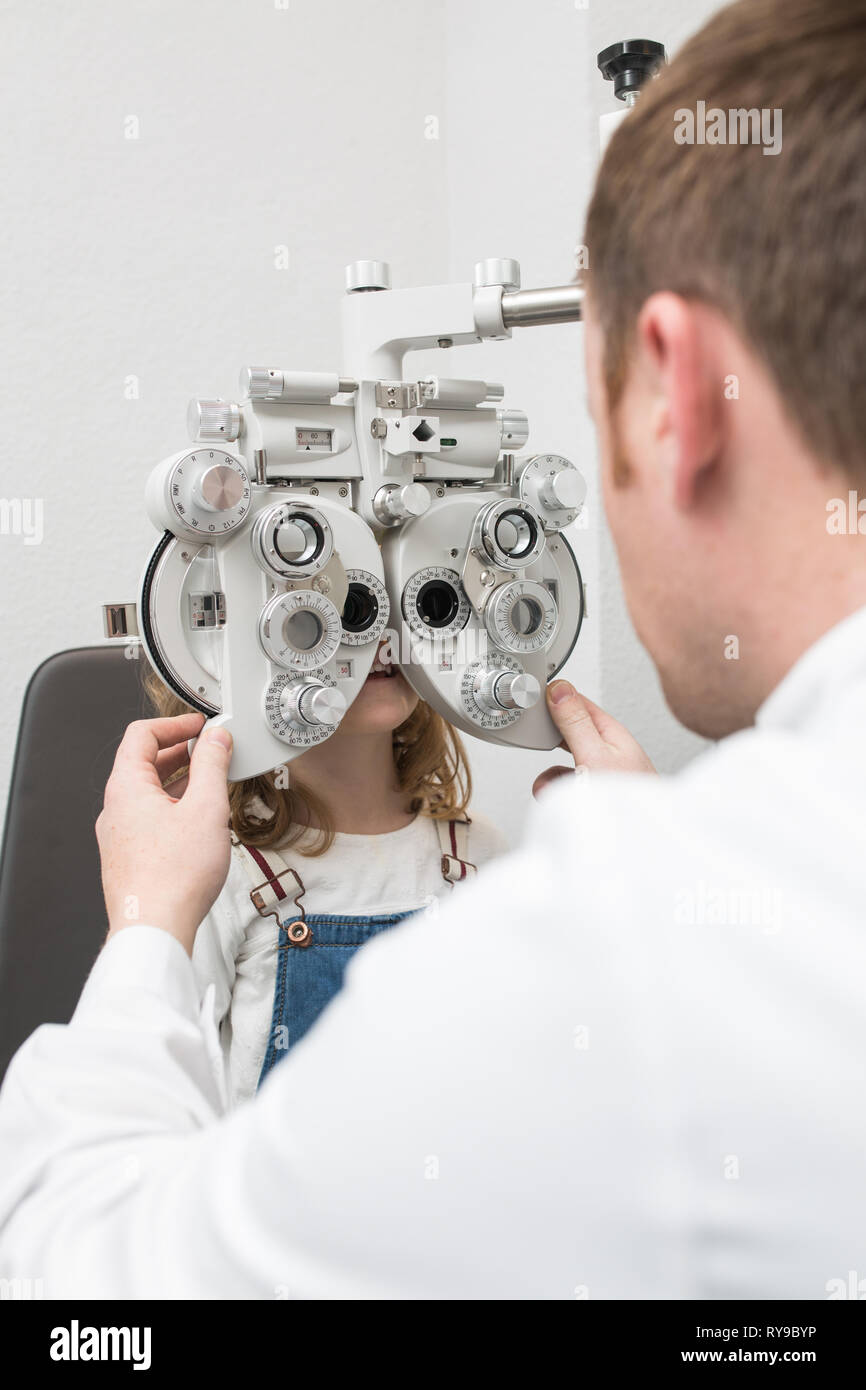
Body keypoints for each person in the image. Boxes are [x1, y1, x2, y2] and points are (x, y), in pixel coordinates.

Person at [1, 0, 865, 1298]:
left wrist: (141, 929)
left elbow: (90, 1286)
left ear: (669, 388)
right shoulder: (715, 914)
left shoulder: (612, 930)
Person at [143, 645, 508, 1106]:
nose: (381, 634)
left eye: (394, 599)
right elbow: (159, 1084)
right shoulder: (217, 867)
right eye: (349, 606)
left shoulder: (479, 852)